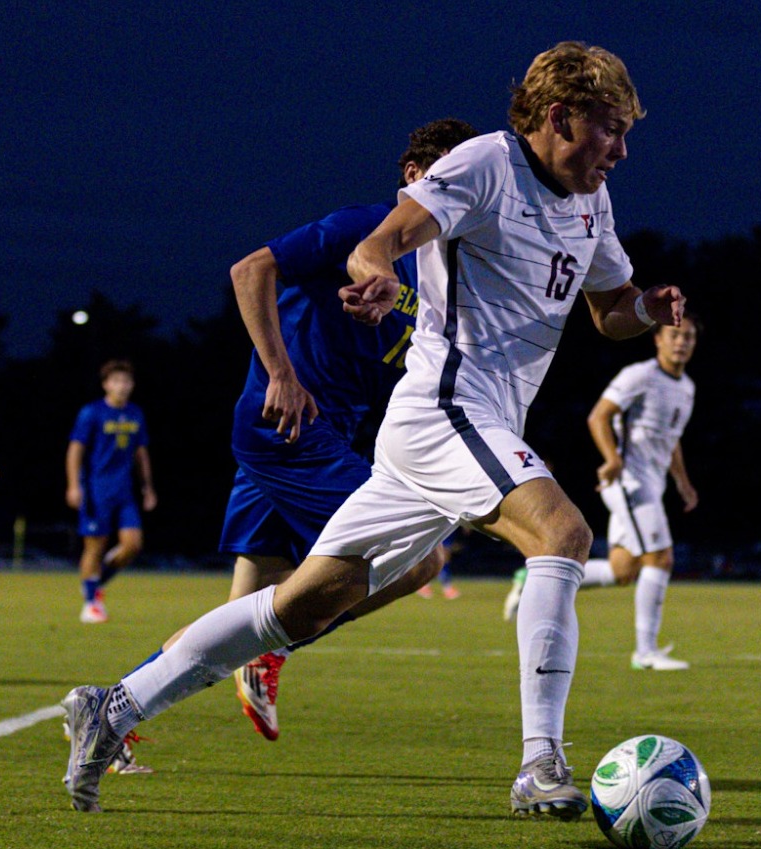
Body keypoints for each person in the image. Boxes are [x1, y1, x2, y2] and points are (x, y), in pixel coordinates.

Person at [61, 41, 684, 818]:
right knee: (560, 533)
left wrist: (646, 309)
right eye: (610, 129)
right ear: (558, 117)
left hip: (438, 431)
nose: (621, 150)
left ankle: (112, 705)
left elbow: (607, 308)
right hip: (448, 409)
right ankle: (539, 761)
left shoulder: (592, 200)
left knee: (301, 606)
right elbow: (379, 238)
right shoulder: (486, 162)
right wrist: (380, 268)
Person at [195, 118, 476, 742]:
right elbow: (250, 271)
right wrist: (281, 374)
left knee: (242, 613)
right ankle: (277, 651)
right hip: (290, 427)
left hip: (322, 436)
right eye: (452, 179)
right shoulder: (361, 227)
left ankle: (112, 714)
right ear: (414, 177)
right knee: (419, 561)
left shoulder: (442, 267)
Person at [505, 320, 699, 671]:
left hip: (652, 484)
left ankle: (534, 578)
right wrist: (612, 459)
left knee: (624, 570)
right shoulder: (639, 375)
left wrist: (682, 483)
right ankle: (645, 653)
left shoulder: (686, 387)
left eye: (688, 337)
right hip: (629, 481)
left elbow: (672, 441)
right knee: (661, 558)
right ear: (658, 340)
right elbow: (599, 416)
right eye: (675, 335)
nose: (682, 342)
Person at [66, 360, 156, 624]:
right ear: (106, 384)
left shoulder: (135, 414)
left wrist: (147, 487)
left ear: (132, 385)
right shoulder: (91, 413)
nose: (121, 386)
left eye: (126, 381)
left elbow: (141, 453)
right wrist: (73, 484)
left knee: (133, 545)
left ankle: (95, 582)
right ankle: (90, 603)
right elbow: (75, 450)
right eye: (116, 381)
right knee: (95, 546)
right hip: (96, 490)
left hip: (125, 491)